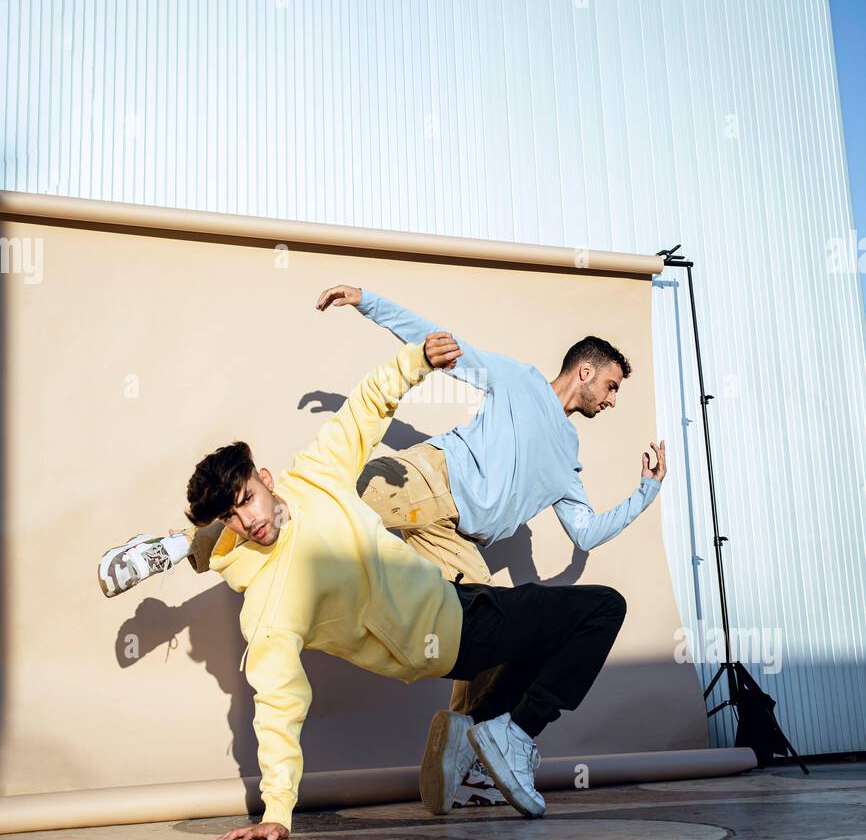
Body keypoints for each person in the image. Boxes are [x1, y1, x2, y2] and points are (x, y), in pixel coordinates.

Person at [98, 286, 666, 811]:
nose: (613, 400)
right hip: (428, 479)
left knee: (484, 646)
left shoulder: (568, 459)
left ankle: (462, 762)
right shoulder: (520, 381)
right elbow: (439, 345)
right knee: (315, 508)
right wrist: (368, 302)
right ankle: (182, 548)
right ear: (586, 370)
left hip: (458, 540)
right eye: (613, 385)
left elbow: (586, 533)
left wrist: (647, 492)